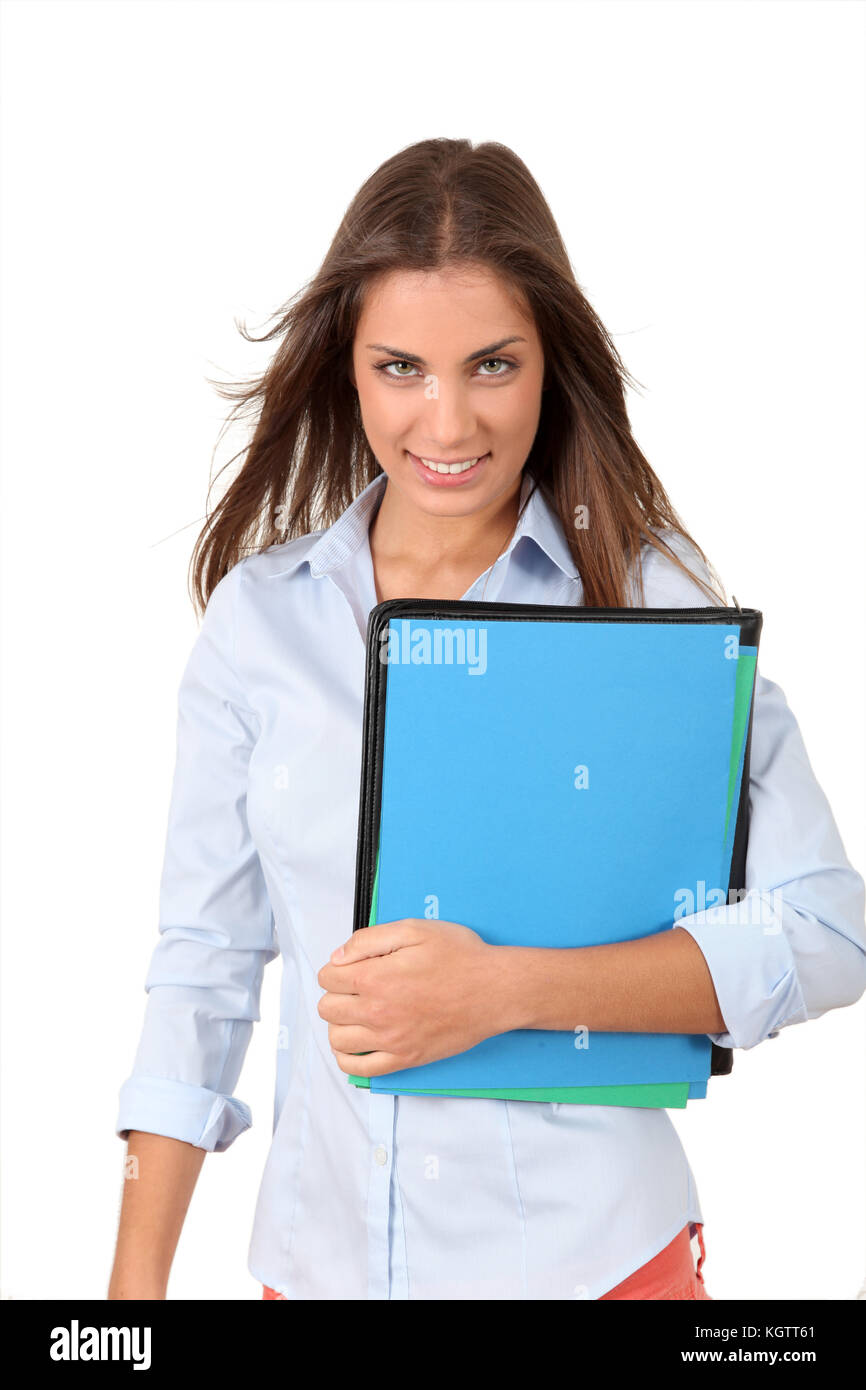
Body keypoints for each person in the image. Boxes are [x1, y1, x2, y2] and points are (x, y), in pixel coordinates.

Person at [109, 138, 866, 1301]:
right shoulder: (262, 624)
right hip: (313, 1273)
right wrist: (130, 1297)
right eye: (400, 366)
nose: (446, 421)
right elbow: (203, 969)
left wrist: (504, 991)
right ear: (346, 370)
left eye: (492, 366)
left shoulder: (648, 598)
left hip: (597, 1269)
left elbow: (827, 930)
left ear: (548, 365)